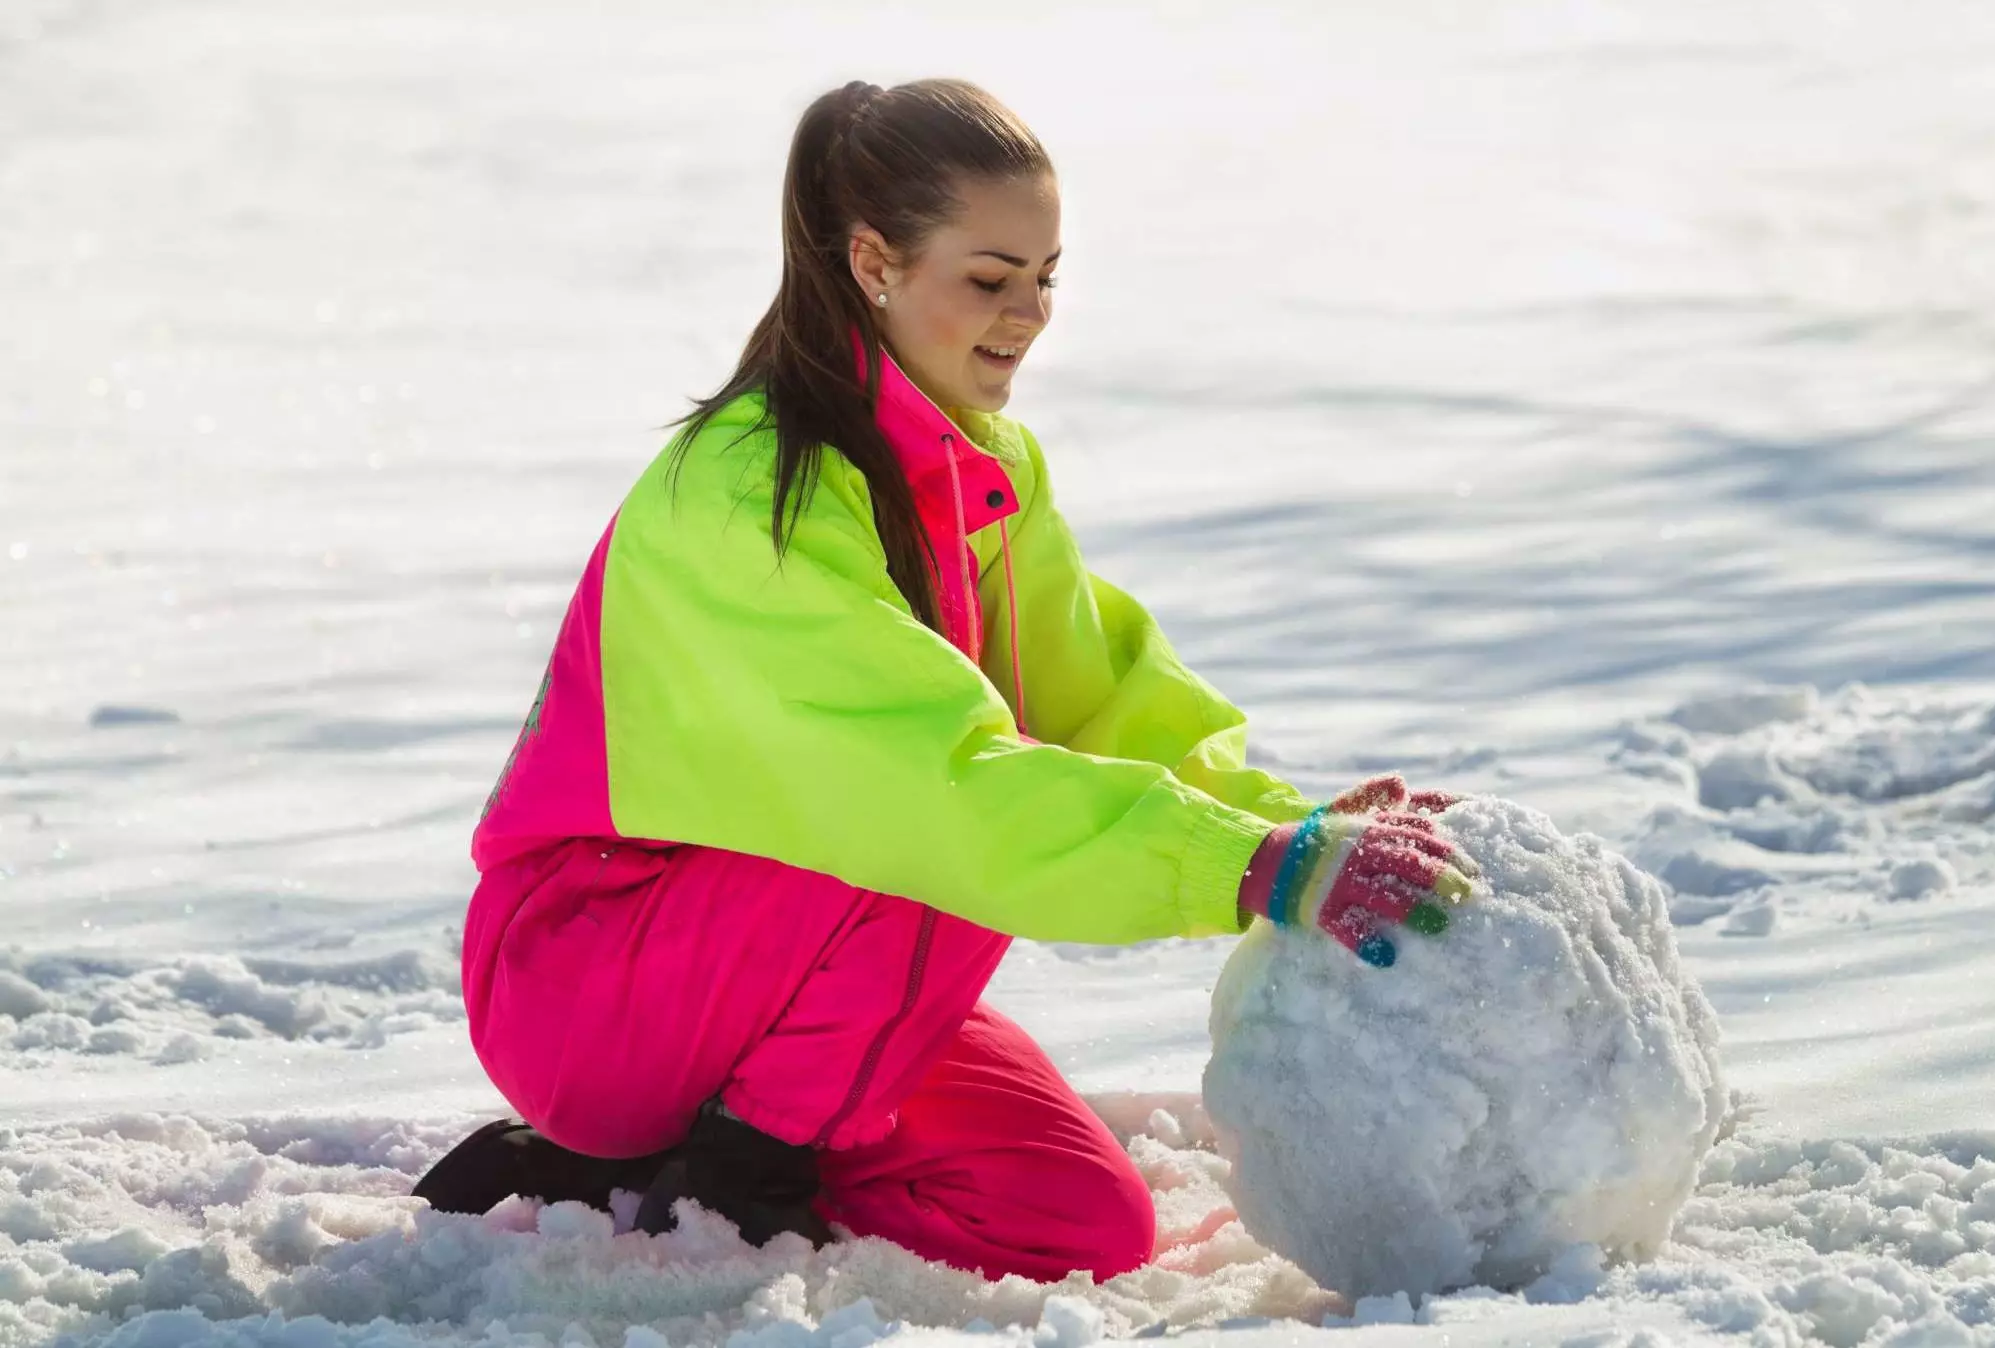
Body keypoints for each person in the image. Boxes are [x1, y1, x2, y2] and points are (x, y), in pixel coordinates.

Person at [411, 77, 1478, 1284]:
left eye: (1046, 276)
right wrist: (1236, 868)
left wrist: (1284, 827)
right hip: (594, 975)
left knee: (1075, 1224)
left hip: (805, 950)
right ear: (874, 260)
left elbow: (1098, 697)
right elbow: (933, 783)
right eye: (989, 277)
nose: (1028, 313)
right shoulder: (747, 492)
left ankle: (700, 1161)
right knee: (944, 826)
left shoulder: (982, 468)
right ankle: (725, 1170)